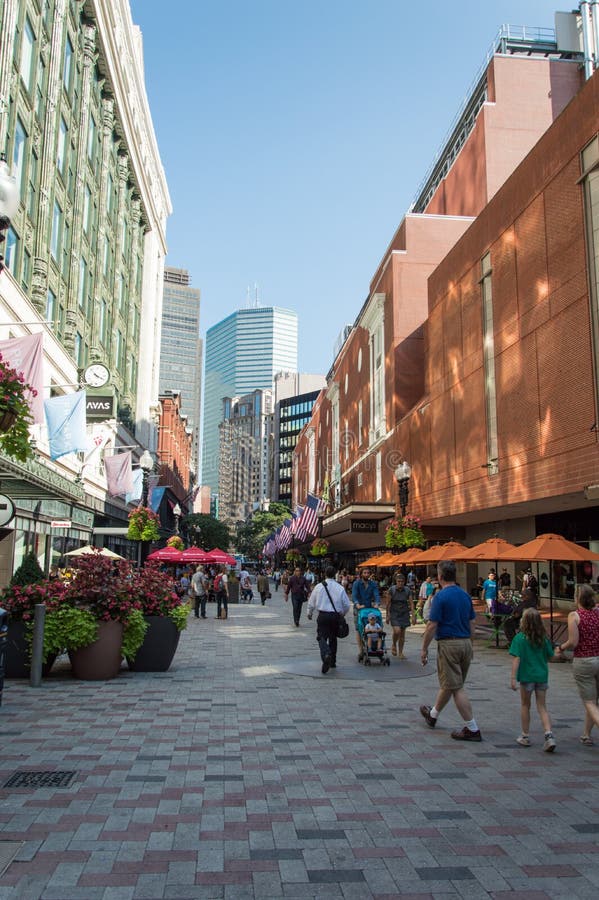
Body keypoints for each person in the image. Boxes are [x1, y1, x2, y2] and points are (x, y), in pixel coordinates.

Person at [420, 559, 482, 741]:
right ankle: (433, 715)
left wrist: (424, 648)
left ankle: (472, 727)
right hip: (465, 643)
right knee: (451, 683)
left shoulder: (441, 597)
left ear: (440, 576)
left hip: (449, 644)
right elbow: (472, 623)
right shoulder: (464, 595)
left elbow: (432, 625)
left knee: (456, 686)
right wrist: (471, 644)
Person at [555, 583, 599, 745]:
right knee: (594, 700)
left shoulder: (575, 616)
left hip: (584, 661)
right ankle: (586, 734)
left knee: (589, 701)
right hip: (598, 656)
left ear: (577, 598)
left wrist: (560, 647)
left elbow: (573, 641)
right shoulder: (597, 613)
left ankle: (588, 733)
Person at [509, 608, 556, 751]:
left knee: (525, 705)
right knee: (542, 706)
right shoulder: (543, 639)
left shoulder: (519, 638)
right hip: (541, 676)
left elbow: (516, 658)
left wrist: (512, 677)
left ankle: (525, 735)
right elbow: (551, 656)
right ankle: (549, 735)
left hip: (526, 676)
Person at [307, 564, 351, 673]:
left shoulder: (319, 586)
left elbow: (312, 601)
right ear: (335, 574)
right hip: (335, 616)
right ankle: (332, 661)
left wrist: (309, 612)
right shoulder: (340, 588)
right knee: (333, 638)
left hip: (322, 615)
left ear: (325, 574)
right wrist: (342, 614)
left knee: (321, 637)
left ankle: (326, 653)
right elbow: (346, 605)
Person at [352, 567, 380, 657]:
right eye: (364, 573)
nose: (366, 574)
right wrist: (357, 604)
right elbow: (354, 596)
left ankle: (374, 645)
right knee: (358, 628)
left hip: (369, 608)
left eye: (368, 573)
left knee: (373, 625)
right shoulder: (356, 583)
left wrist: (377, 603)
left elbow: (376, 594)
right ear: (361, 574)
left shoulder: (373, 584)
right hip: (359, 608)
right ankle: (361, 650)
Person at [386, 572, 415, 658]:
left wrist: (413, 615)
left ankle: (401, 652)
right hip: (394, 612)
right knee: (397, 631)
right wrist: (387, 615)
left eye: (402, 581)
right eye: (398, 581)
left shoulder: (407, 590)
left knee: (402, 634)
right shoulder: (391, 590)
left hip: (404, 612)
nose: (400, 583)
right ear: (396, 581)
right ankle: (394, 644)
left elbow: (411, 603)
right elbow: (388, 603)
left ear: (404, 582)